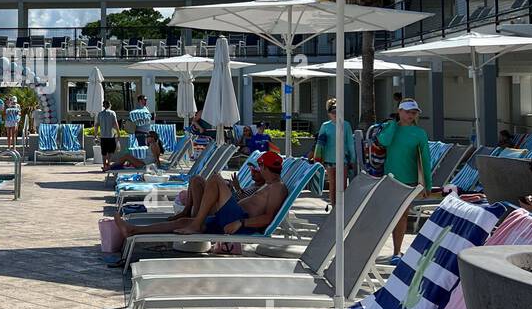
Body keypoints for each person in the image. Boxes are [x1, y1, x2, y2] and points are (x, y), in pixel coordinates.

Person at [113, 150, 287, 244]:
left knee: (216, 179)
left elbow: (268, 218)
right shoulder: (267, 185)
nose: (258, 170)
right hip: (231, 215)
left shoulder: (278, 188)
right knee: (196, 182)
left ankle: (196, 223)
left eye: (259, 167)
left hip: (238, 221)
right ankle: (134, 230)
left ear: (264, 168)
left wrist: (241, 223)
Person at [377, 98, 435, 261]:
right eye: (408, 112)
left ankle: (396, 252)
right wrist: (394, 125)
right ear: (399, 111)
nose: (411, 115)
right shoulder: (390, 127)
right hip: (389, 179)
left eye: (414, 113)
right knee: (388, 215)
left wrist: (427, 184)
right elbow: (384, 141)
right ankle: (375, 249)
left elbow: (425, 160)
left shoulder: (419, 133)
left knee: (402, 215)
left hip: (409, 181)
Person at [312, 98, 354, 208]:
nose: (335, 114)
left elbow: (350, 143)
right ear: (329, 114)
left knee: (343, 185)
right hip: (329, 159)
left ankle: (343, 207)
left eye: (337, 112)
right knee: (333, 184)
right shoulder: (325, 126)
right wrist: (317, 158)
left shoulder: (346, 125)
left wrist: (353, 158)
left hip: (343, 159)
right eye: (332, 112)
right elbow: (319, 144)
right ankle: (334, 207)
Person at [96, 100, 120, 170]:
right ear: (110, 105)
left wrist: (95, 134)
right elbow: (115, 123)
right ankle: (108, 164)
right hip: (111, 135)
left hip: (103, 136)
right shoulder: (112, 113)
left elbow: (96, 125)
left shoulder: (100, 114)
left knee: (104, 152)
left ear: (103, 106)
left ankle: (104, 165)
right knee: (110, 151)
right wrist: (118, 132)